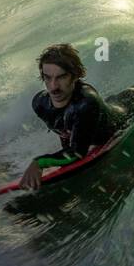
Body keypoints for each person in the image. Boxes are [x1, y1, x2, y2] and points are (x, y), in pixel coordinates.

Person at [17, 43, 116, 191]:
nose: (53, 86)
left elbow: (78, 153)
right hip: (103, 112)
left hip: (125, 112)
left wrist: (40, 162)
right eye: (47, 78)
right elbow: (63, 132)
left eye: (61, 77)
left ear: (75, 75)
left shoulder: (86, 103)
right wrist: (65, 155)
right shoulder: (40, 104)